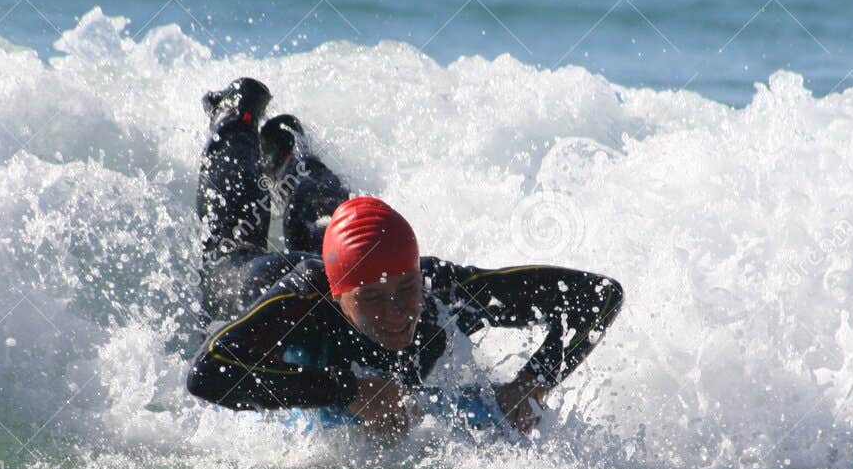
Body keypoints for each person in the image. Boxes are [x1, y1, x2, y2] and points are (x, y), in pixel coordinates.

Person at [186, 76, 624, 436]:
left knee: (326, 219)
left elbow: (597, 296)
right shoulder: (297, 306)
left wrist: (532, 384)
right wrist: (349, 392)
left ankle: (288, 153)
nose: (398, 313)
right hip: (257, 276)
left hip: (339, 254)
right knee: (230, 242)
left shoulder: (441, 294)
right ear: (337, 295)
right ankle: (236, 114)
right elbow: (208, 375)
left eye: (406, 289)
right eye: (373, 299)